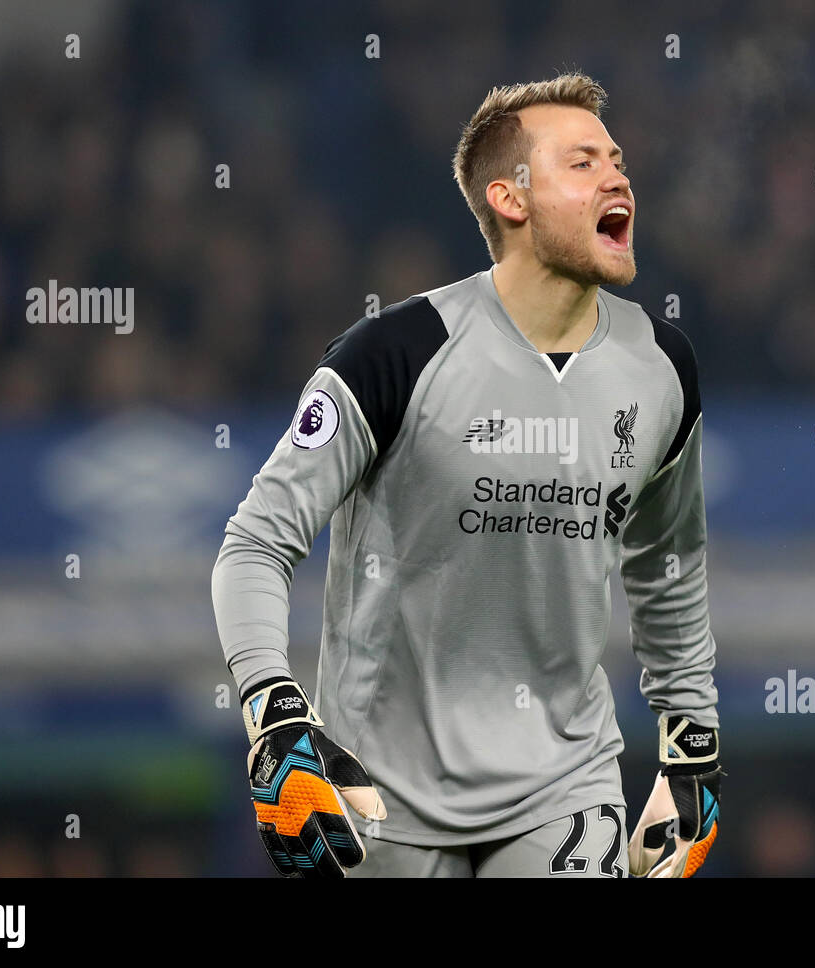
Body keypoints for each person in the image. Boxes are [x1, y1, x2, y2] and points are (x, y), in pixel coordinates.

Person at [212, 72, 721, 878]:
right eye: (583, 162)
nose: (619, 176)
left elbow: (667, 564)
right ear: (511, 200)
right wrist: (274, 716)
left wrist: (691, 748)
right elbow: (255, 543)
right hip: (380, 794)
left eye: (617, 159)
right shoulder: (394, 355)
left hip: (565, 786)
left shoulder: (664, 368)